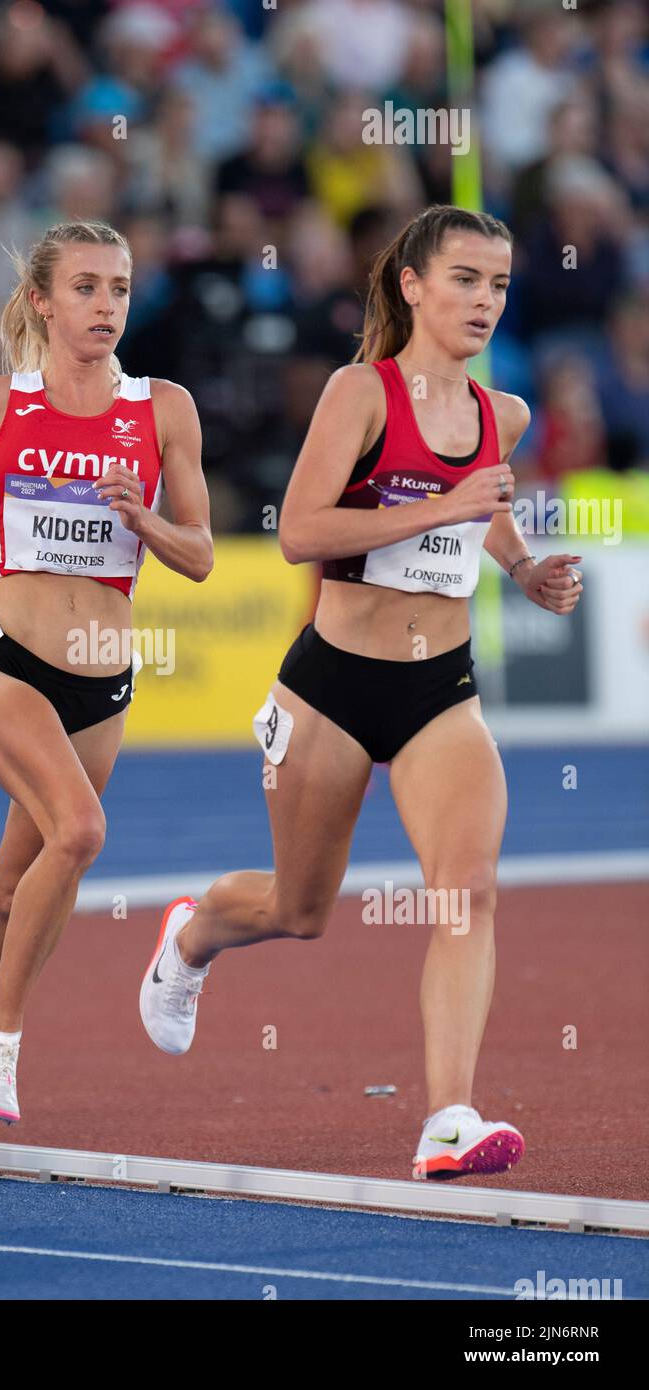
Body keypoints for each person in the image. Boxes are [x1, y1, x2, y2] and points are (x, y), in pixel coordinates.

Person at [140, 204, 584, 1181]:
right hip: (331, 689)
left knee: (466, 893)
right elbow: (301, 530)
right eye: (465, 278)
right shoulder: (361, 394)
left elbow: (487, 512)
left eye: (500, 283)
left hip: (442, 691)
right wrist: (446, 505)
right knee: (302, 908)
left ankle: (448, 1119)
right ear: (412, 286)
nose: (485, 300)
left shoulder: (500, 412)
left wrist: (524, 571)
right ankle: (194, 933)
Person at [0, 220, 213, 1166]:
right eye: (84, 288)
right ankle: (3, 1043)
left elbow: (199, 555)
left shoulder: (166, 410)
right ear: (42, 299)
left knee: (10, 885)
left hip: (102, 683)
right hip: (4, 666)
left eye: (118, 289)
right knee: (79, 832)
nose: (105, 307)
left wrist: (141, 514)